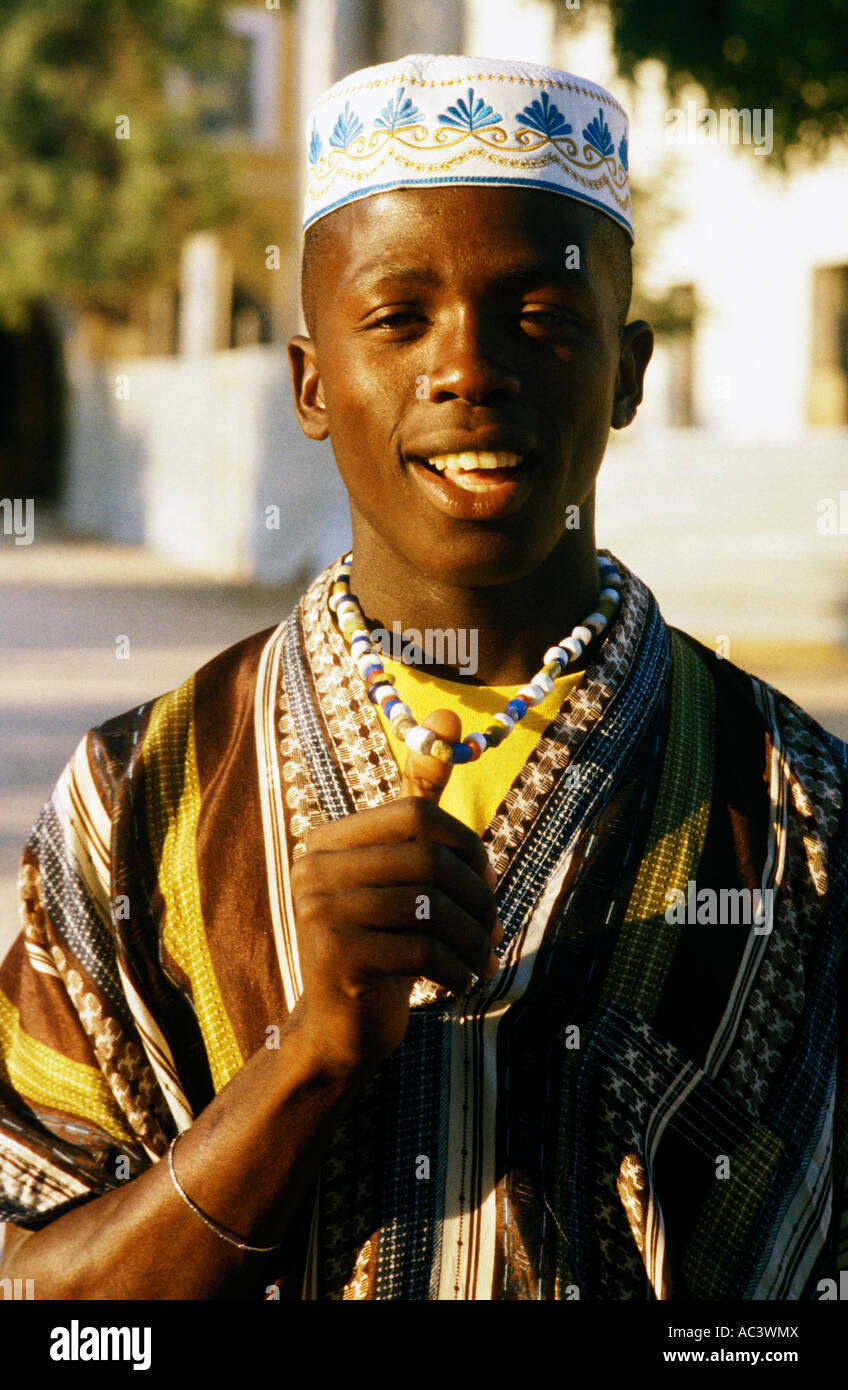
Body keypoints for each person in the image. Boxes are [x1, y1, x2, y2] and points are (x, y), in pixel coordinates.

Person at [0, 53, 845, 1302]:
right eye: (399, 319)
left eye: (543, 318)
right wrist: (302, 1064)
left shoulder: (793, 809)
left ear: (625, 371)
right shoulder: (141, 799)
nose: (469, 371)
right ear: (308, 383)